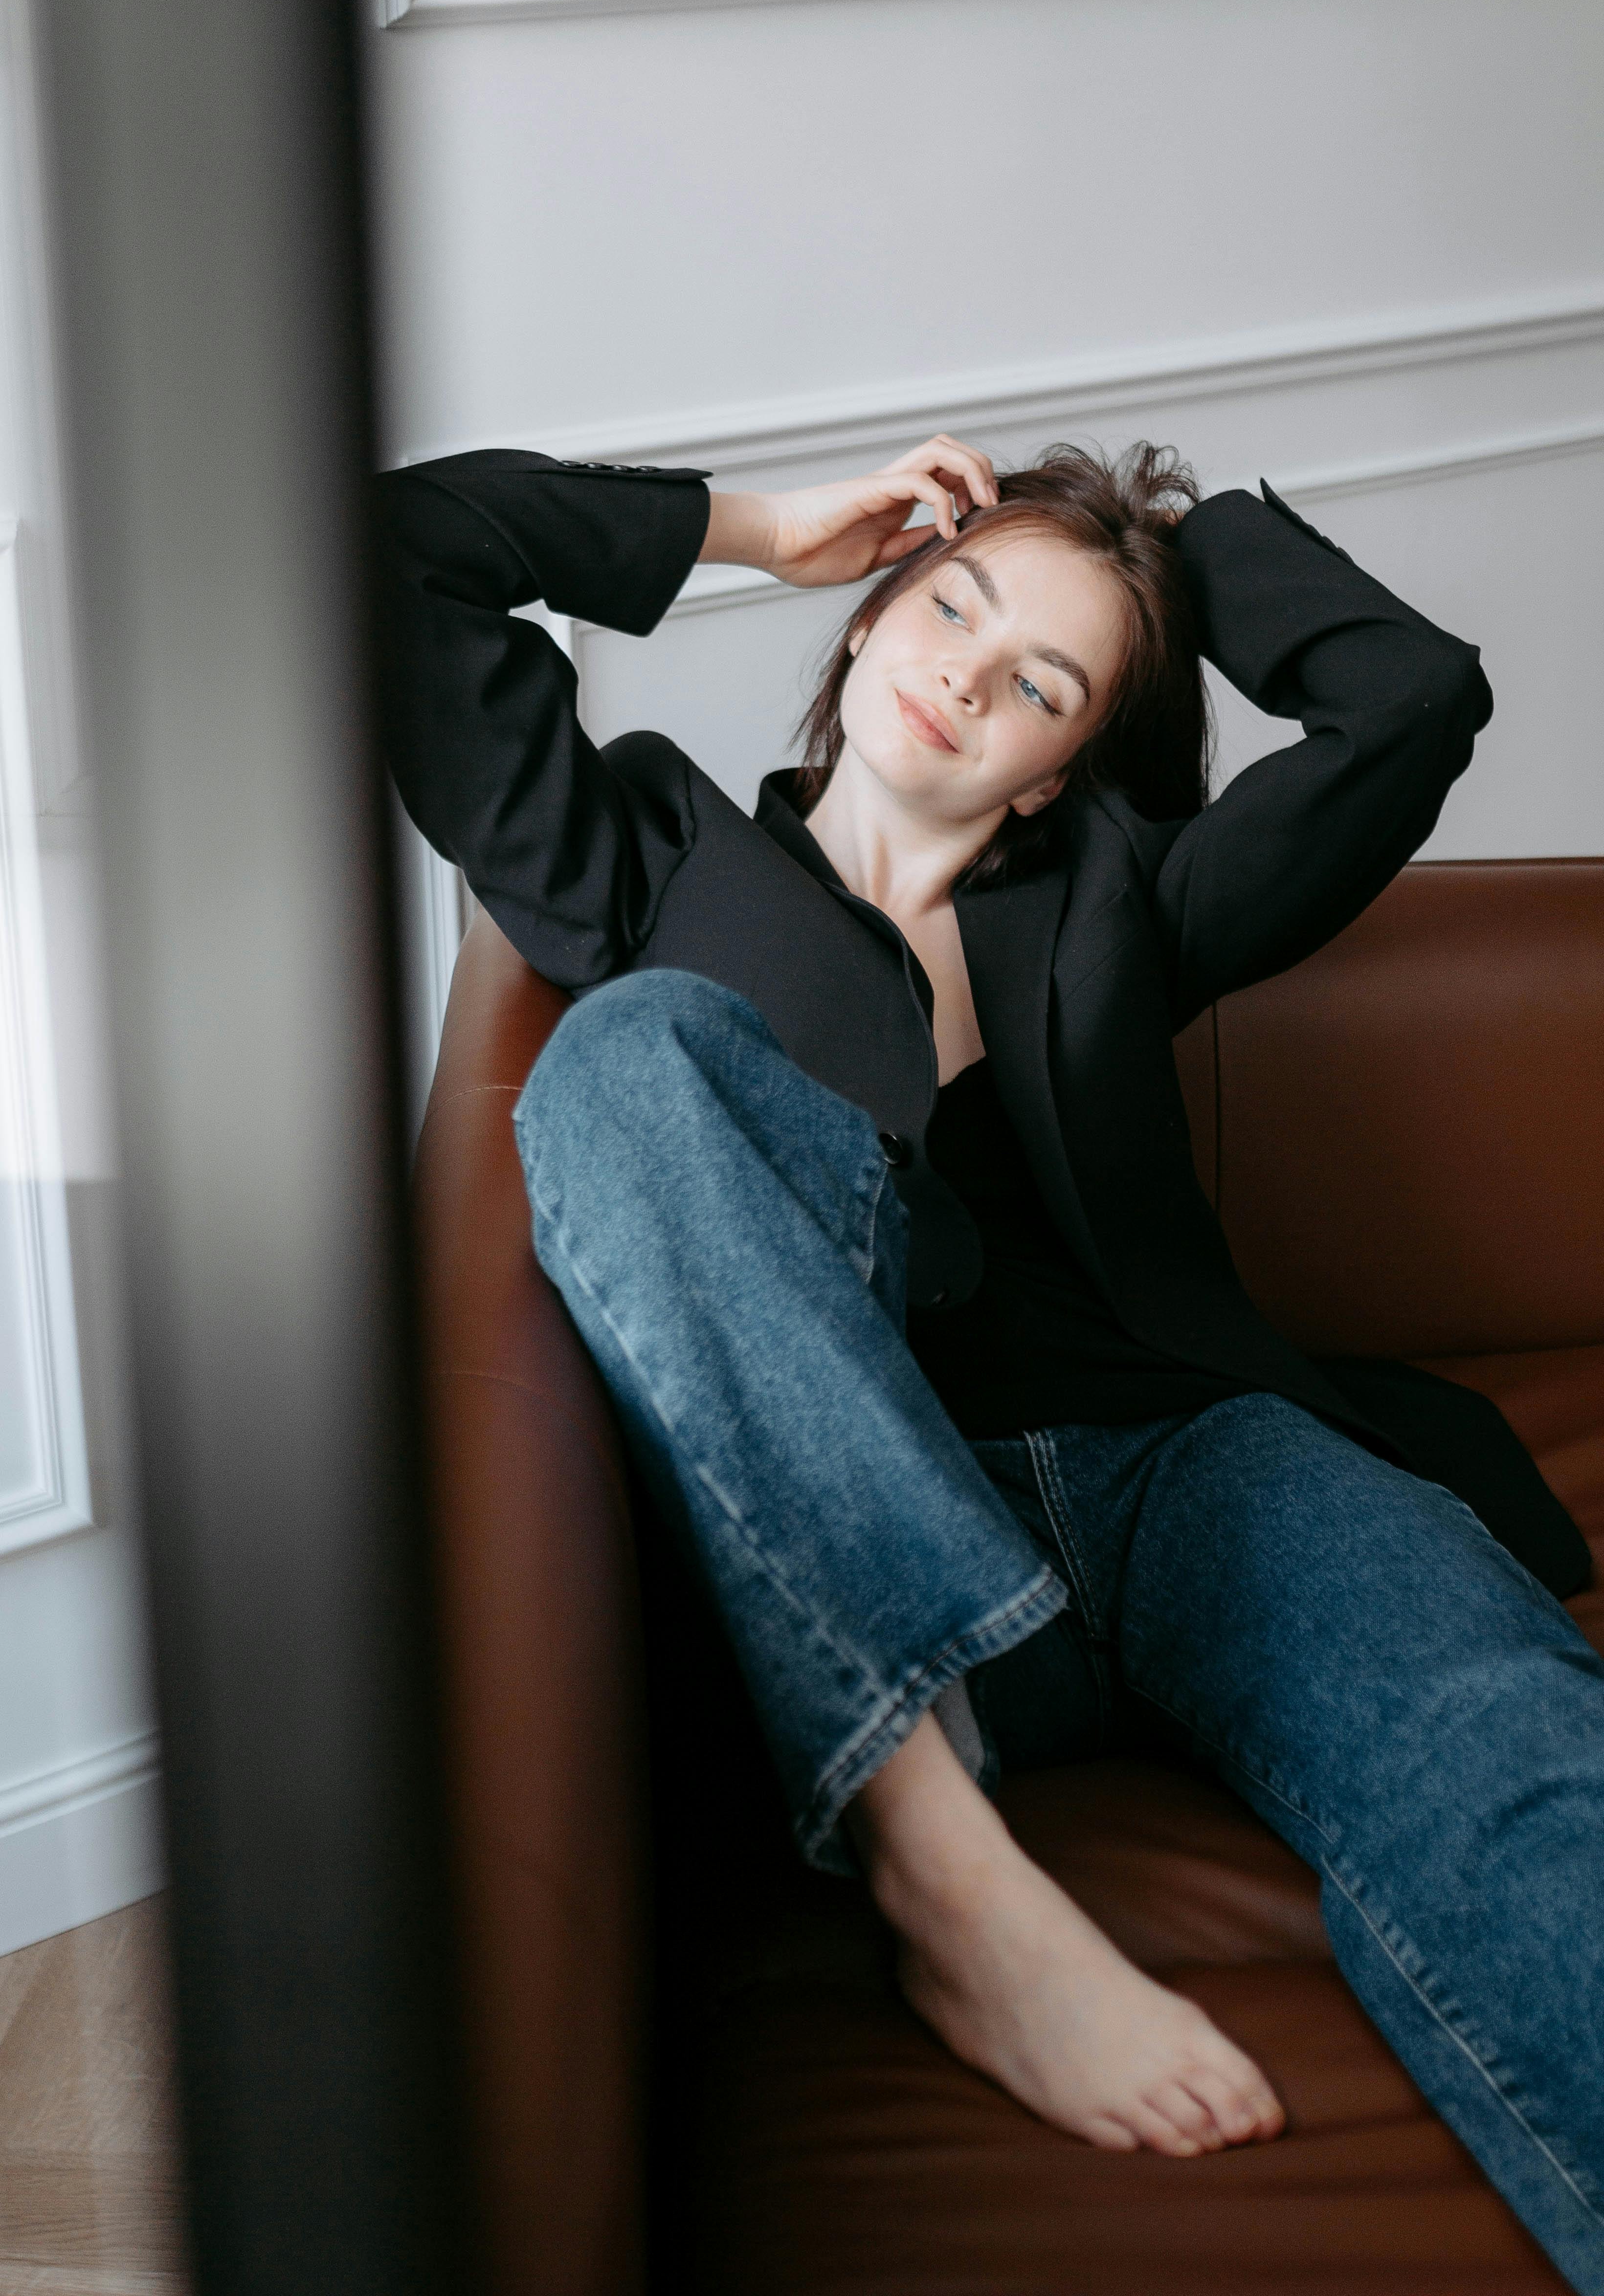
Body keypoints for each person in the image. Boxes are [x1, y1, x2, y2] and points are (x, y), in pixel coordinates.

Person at [380, 434, 1603, 2291]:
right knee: (629, 1056)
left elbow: (1410, 704)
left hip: (1192, 1476)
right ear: (870, 618)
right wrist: (757, 524)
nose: (969, 668)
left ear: (1066, 766)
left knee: (1517, 1759)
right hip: (862, 1550)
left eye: (1044, 676)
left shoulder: (1128, 903)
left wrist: (1163, 544)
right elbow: (386, 553)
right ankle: (948, 1876)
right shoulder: (646, 855)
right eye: (952, 605)